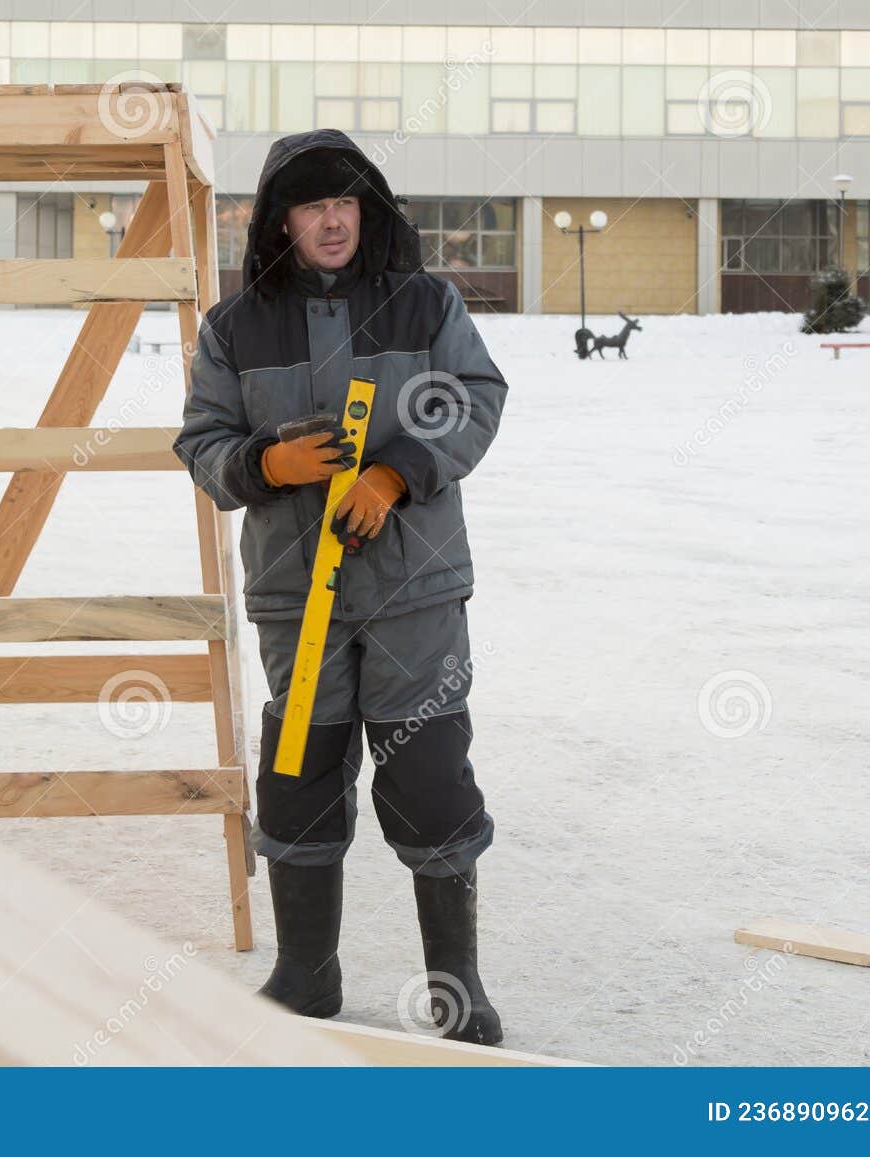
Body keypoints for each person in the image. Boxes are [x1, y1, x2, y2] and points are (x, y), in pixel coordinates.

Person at [173, 128, 509, 1045]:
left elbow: (474, 397)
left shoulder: (424, 303)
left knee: (429, 775)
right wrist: (263, 461)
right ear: (282, 219)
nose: (332, 221)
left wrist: (399, 471)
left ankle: (456, 984)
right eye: (314, 205)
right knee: (301, 771)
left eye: (347, 204)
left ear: (370, 211)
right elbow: (201, 444)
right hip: (297, 594)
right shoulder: (234, 326)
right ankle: (306, 971)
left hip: (414, 589)